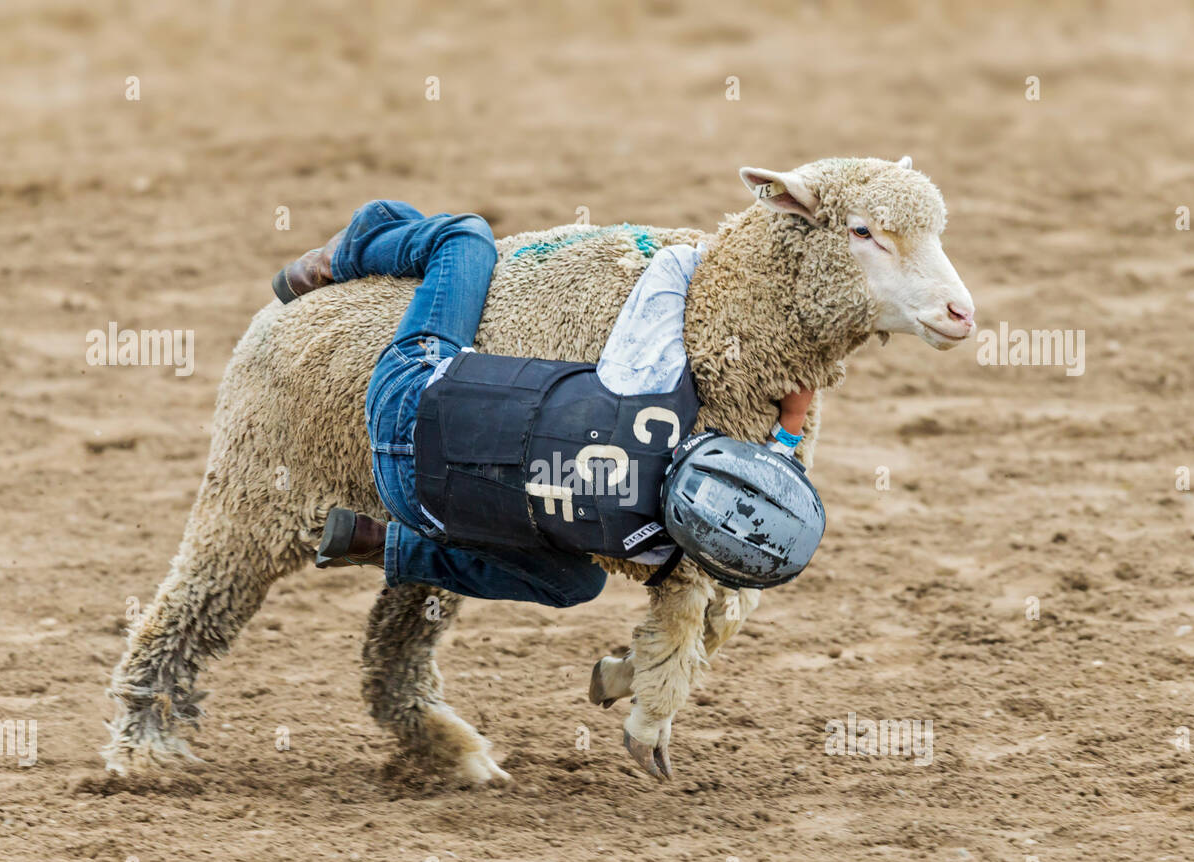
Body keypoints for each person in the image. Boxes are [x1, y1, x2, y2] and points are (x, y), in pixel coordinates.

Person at [270, 201, 817, 606]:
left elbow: (679, 262)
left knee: (465, 236)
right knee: (576, 584)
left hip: (408, 392)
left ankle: (339, 257)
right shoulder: (649, 549)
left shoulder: (654, 393)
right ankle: (387, 546)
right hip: (416, 500)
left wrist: (789, 424)